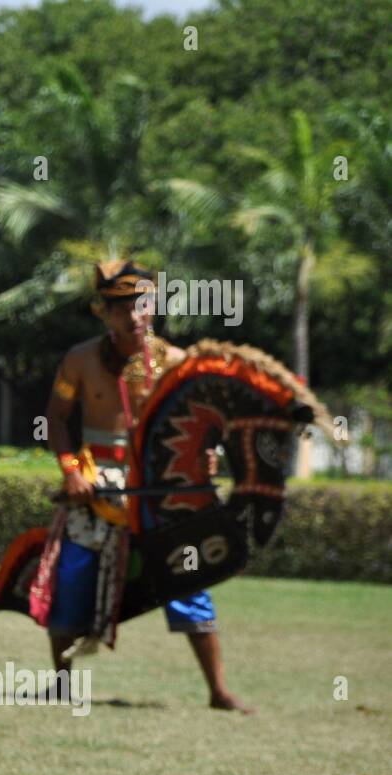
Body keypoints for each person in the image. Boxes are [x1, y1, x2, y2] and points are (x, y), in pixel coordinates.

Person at [40, 259, 252, 713]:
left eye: (141, 305)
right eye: (121, 308)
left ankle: (218, 691)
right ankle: (61, 682)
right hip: (97, 485)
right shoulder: (79, 359)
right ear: (103, 312)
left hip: (159, 490)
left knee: (188, 577)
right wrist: (71, 470)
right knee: (72, 573)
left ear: (153, 305)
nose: (133, 316)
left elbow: (203, 423)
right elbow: (56, 419)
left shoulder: (175, 361)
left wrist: (208, 453)